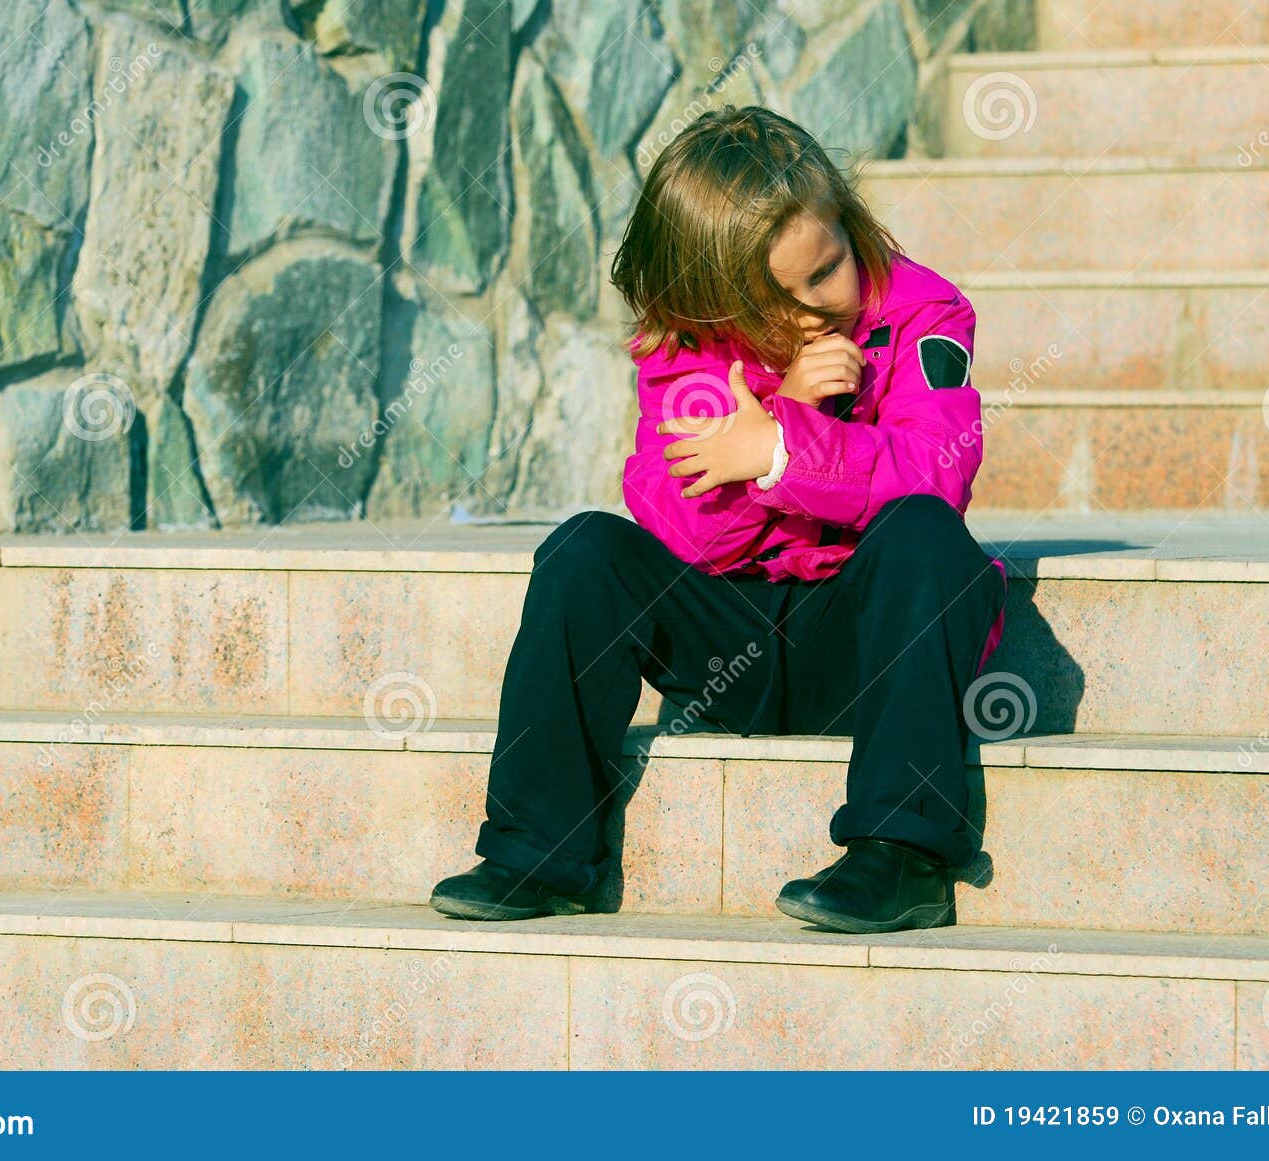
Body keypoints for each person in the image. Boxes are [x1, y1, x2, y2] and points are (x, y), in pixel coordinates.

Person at [429, 104, 1009, 934]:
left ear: (847, 221)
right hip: (729, 639)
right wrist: (780, 405)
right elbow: (689, 536)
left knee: (923, 533)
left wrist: (785, 445)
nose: (818, 308)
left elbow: (938, 472)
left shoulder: (921, 316)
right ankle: (538, 850)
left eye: (828, 269)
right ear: (719, 298)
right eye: (780, 299)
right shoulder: (690, 349)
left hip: (867, 641)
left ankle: (900, 858)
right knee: (583, 551)